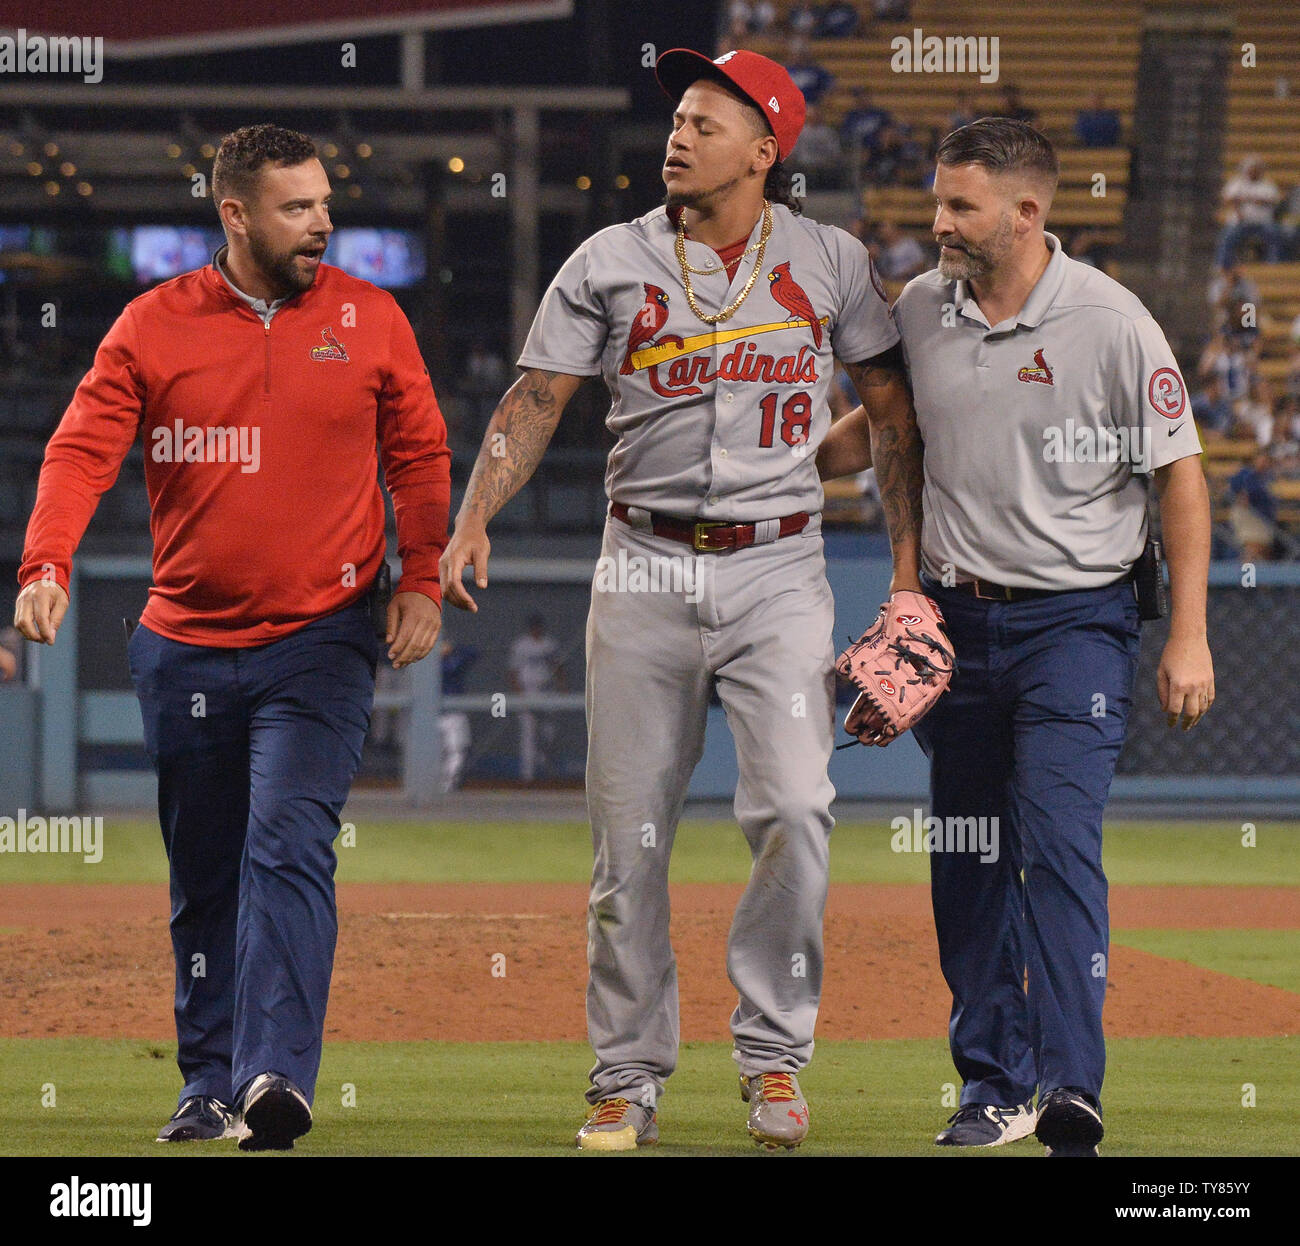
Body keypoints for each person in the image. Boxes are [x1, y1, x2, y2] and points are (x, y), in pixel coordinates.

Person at [440, 46, 925, 1151]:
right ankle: (624, 1073)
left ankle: (772, 1059)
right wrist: (474, 517)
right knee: (628, 840)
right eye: (677, 119)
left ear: (766, 150)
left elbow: (892, 417)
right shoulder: (606, 260)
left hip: (779, 564)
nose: (679, 133)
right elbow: (535, 397)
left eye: (708, 119)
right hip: (644, 561)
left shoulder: (832, 261)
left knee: (797, 807)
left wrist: (904, 581)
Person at [14, 124, 450, 1151]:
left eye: (326, 202)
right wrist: (45, 561)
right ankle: (206, 1082)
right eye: (299, 207)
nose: (324, 223)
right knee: (204, 873)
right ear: (236, 215)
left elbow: (421, 453)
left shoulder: (370, 317)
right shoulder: (150, 326)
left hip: (322, 639)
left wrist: (420, 577)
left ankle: (274, 1076)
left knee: (287, 843)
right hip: (185, 646)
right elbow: (80, 448)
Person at [818, 118, 1213, 1156]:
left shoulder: (1111, 322)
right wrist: (786, 462)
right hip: (952, 623)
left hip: (1075, 620)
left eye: (959, 207)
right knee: (966, 856)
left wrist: (1189, 635)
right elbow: (893, 426)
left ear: (1027, 213)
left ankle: (1070, 1087)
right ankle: (993, 1084)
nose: (935, 223)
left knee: (1054, 841)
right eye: (936, 202)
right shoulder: (918, 306)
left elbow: (1180, 474)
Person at [507, 613, 563, 782]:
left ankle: (546, 769)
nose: (536, 629)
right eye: (534, 626)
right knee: (528, 735)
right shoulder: (521, 645)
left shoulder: (550, 643)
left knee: (549, 734)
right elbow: (513, 671)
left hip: (547, 691)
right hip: (528, 691)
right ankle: (527, 775)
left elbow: (558, 666)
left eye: (538, 626)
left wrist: (562, 687)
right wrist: (519, 694)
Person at [1216, 156, 1282, 266]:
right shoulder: (1236, 184)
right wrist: (1243, 200)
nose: (1253, 172)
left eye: (1256, 170)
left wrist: (1258, 200)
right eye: (1250, 169)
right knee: (1227, 236)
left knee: (1276, 235)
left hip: (1263, 223)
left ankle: (1274, 264)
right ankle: (1223, 265)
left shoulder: (1268, 185)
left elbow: (1274, 200)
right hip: (1240, 223)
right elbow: (1226, 199)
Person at [1226, 452, 1278, 563]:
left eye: (1265, 461)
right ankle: (1245, 578)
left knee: (1264, 549)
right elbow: (1234, 486)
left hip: (1265, 517)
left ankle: (1261, 578)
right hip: (1249, 514)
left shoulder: (1270, 476)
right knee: (1252, 546)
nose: (1262, 463)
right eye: (1260, 460)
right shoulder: (1246, 474)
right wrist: (1243, 494)